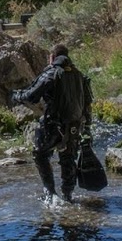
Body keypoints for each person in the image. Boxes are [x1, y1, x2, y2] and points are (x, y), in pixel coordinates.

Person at [11, 44, 93, 205]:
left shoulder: (51, 73)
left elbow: (32, 95)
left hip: (53, 125)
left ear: (52, 57)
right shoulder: (79, 75)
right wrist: (87, 129)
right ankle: (68, 196)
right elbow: (88, 103)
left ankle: (49, 193)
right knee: (68, 159)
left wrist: (16, 95)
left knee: (40, 154)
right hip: (75, 126)